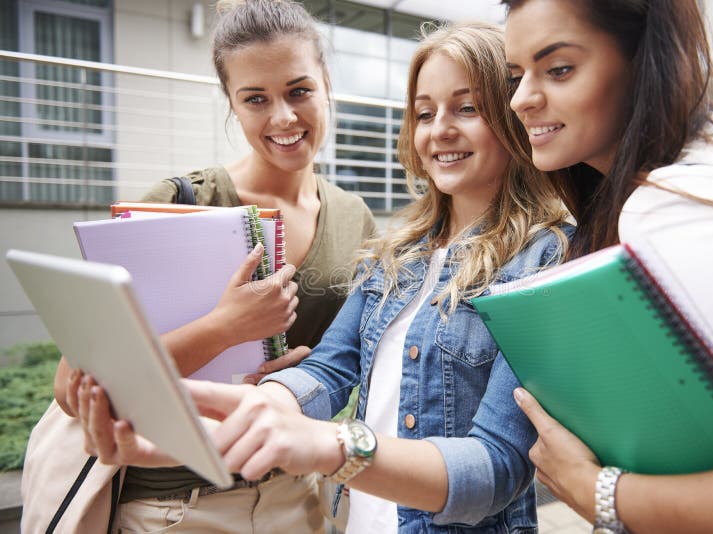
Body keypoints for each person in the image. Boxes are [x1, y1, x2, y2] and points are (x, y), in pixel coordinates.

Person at [78, 21, 573, 533]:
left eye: (467, 108)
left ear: (512, 115)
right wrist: (220, 425)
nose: (440, 129)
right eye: (425, 113)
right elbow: (329, 371)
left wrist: (333, 446)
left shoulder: (548, 258)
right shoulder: (397, 254)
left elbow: (497, 469)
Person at [55, 0, 375, 532]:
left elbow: (362, 355)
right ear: (231, 102)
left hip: (298, 498)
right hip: (173, 506)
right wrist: (225, 329)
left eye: (299, 90)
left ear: (325, 82)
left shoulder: (353, 218)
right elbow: (74, 387)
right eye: (255, 99)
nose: (283, 117)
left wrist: (298, 382)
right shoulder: (180, 202)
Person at [501, 1, 713, 532]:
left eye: (559, 69)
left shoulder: (674, 203)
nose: (522, 99)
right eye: (515, 74)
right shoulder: (700, 168)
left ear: (645, 61)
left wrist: (601, 494)